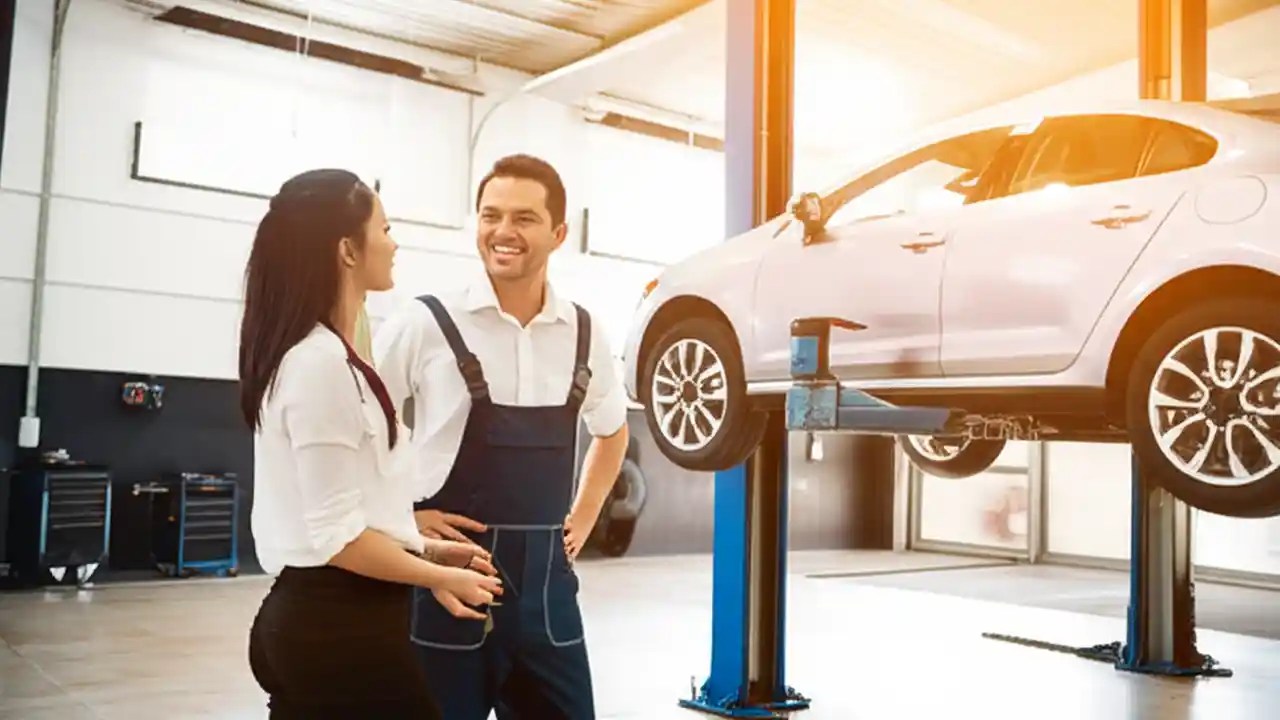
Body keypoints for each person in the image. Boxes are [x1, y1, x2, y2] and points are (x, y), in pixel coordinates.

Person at [239, 168, 504, 719]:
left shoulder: (338, 357)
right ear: (347, 251)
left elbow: (352, 515)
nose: (394, 241)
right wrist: (437, 576)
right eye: (384, 228)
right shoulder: (318, 365)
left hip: (340, 621)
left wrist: (422, 546)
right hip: (333, 630)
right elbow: (337, 539)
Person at [374, 153, 630, 719]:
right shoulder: (426, 322)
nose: (503, 232)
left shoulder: (584, 333)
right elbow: (360, 428)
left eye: (524, 218)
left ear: (559, 233)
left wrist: (582, 519)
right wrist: (401, 515)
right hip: (449, 585)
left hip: (549, 600)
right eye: (490, 216)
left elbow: (612, 432)